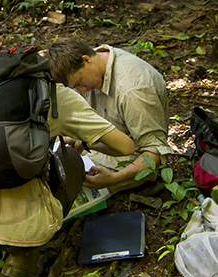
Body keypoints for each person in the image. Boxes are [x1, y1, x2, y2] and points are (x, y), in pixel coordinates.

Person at [0, 85, 134, 277]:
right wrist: (81, 138)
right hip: (26, 233)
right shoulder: (57, 97)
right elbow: (126, 147)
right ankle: (24, 258)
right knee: (71, 158)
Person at [45, 40, 171, 193]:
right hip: (107, 143)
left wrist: (114, 178)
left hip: (133, 160)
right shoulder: (95, 60)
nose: (82, 91)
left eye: (80, 83)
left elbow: (154, 154)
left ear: (86, 60)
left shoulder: (133, 90)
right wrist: (81, 140)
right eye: (76, 87)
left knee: (62, 188)